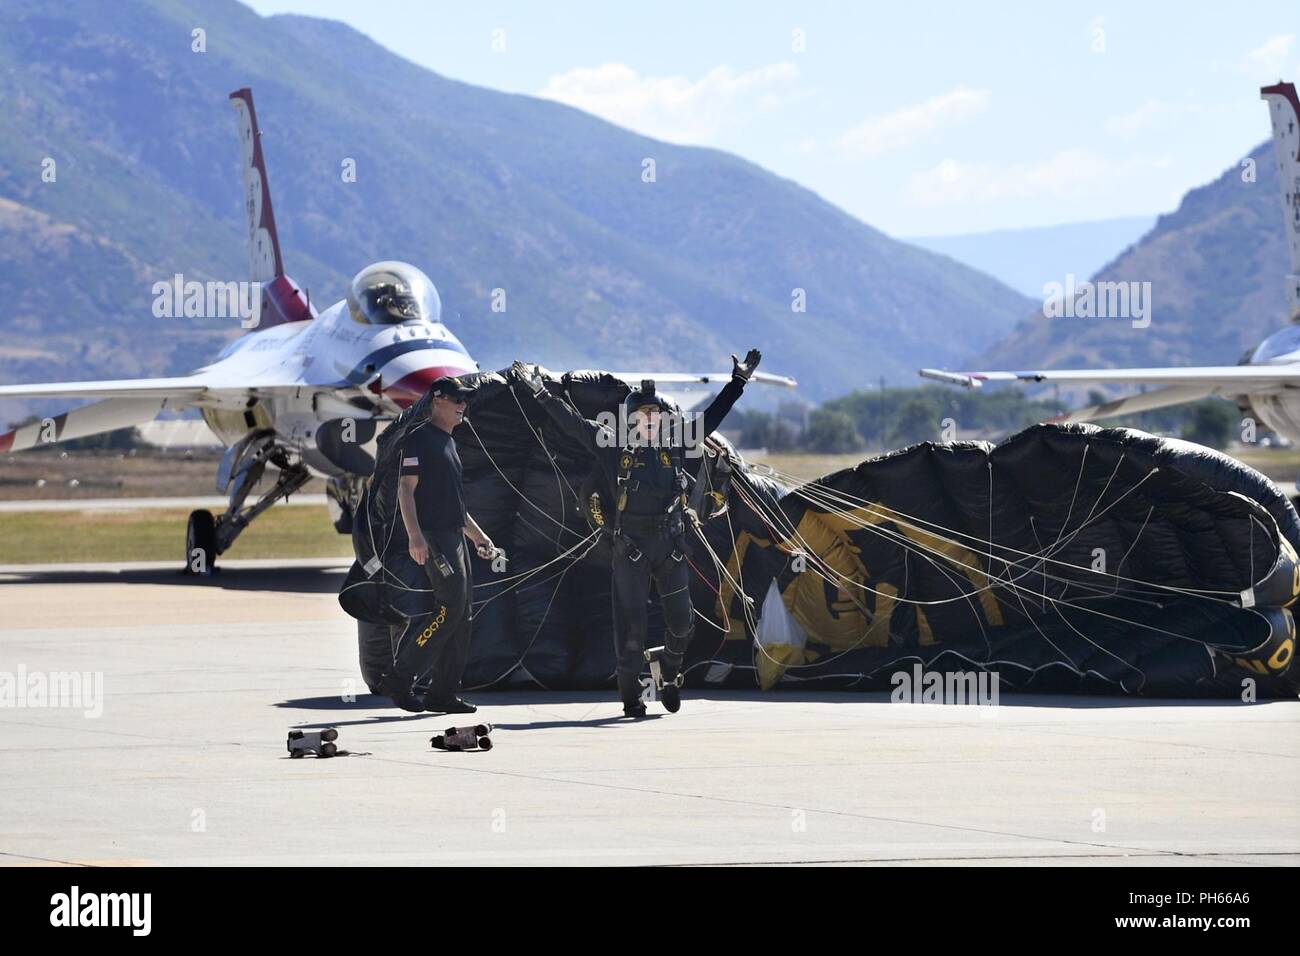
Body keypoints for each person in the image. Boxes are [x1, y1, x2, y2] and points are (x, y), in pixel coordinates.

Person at [511, 350, 761, 717]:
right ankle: (631, 696)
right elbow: (571, 423)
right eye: (644, 415)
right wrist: (542, 395)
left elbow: (710, 420)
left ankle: (670, 671)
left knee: (682, 624)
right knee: (631, 630)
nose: (651, 420)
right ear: (630, 419)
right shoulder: (612, 446)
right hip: (631, 547)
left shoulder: (675, 442)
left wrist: (737, 382)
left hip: (670, 544)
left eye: (656, 415)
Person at [385, 376, 500, 714]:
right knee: (449, 608)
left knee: (461, 615)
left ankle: (443, 693)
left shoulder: (449, 443)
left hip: (454, 538)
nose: (463, 406)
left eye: (465, 400)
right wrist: (415, 536)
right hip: (433, 539)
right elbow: (406, 489)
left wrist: (478, 536)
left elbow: (455, 506)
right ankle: (400, 677)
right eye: (457, 400)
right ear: (438, 401)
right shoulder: (420, 440)